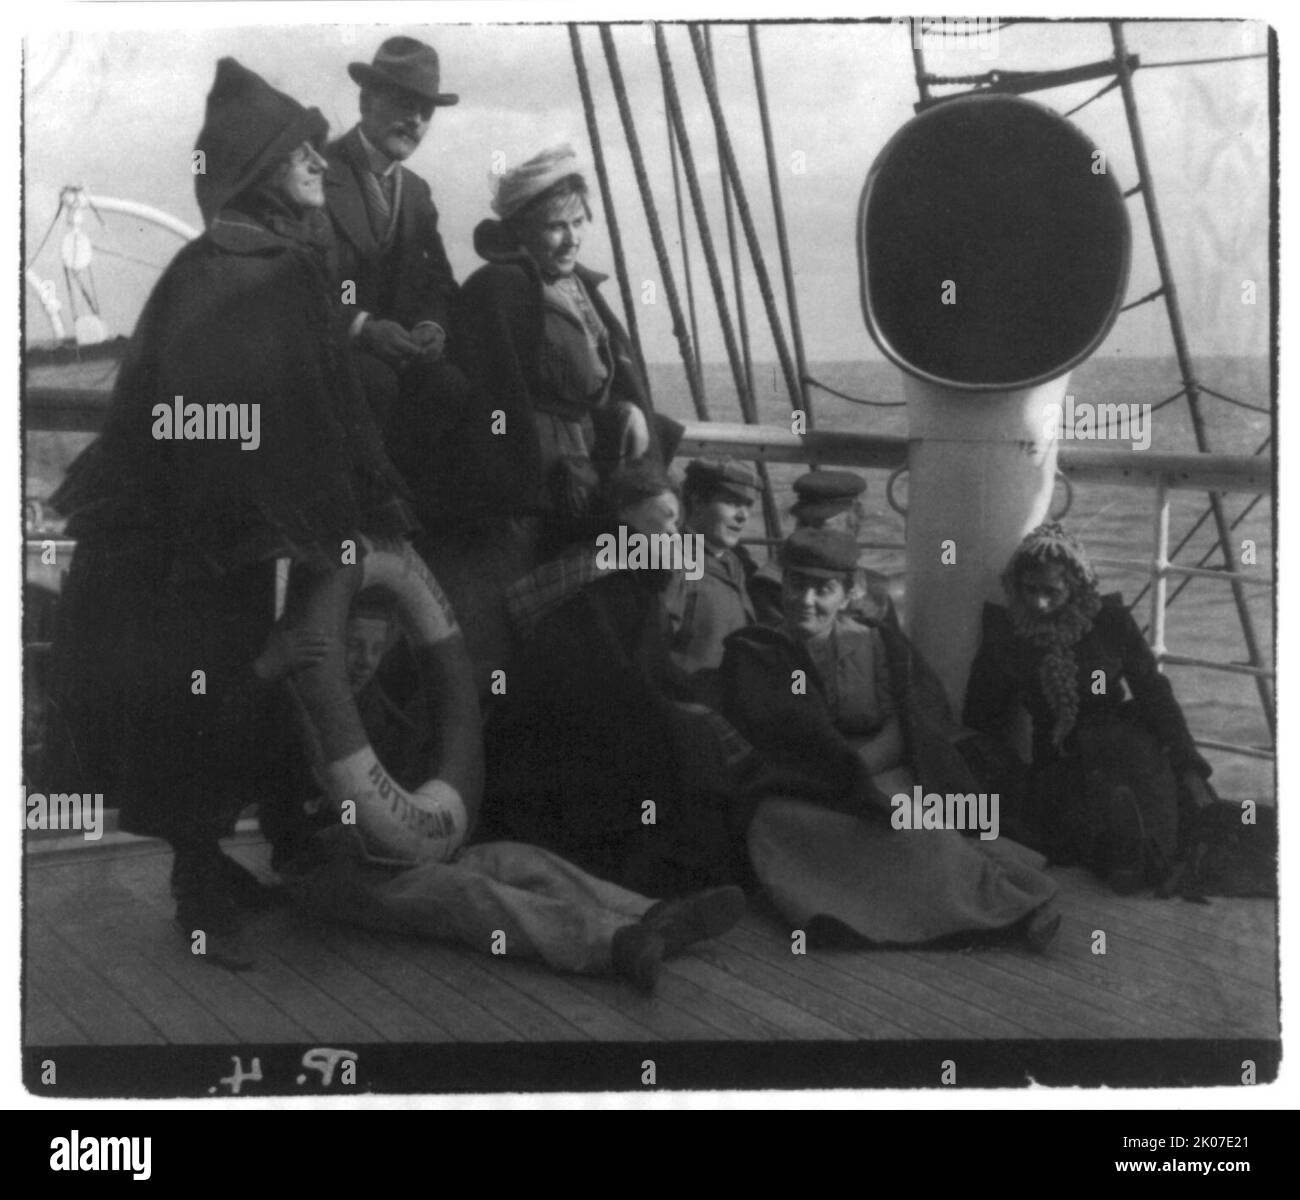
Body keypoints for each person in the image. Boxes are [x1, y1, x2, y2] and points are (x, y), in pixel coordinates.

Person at [44, 59, 416, 963]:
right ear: (259, 168)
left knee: (220, 703)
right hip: (192, 549)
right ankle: (202, 896)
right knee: (204, 705)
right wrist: (367, 506)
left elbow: (311, 408)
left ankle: (225, 864)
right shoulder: (249, 272)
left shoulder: (239, 267)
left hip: (214, 539)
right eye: (302, 160)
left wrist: (354, 501)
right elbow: (280, 416)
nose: (318, 170)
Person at [267, 589, 746, 994]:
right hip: (329, 874)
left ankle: (655, 914)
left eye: (374, 649)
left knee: (517, 858)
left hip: (402, 853)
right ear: (327, 647)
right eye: (353, 646)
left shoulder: (383, 712)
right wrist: (266, 672)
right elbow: (277, 805)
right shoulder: (292, 711)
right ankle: (613, 943)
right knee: (464, 893)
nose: (363, 662)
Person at [718, 528, 1062, 951]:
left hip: (877, 768)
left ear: (847, 593)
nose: (805, 601)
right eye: (796, 584)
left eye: (822, 589)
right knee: (779, 825)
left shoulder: (877, 642)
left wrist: (860, 771)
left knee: (915, 833)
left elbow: (913, 719)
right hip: (796, 787)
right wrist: (839, 776)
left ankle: (1007, 908)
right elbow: (777, 738)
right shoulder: (756, 651)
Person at [962, 522, 1216, 894]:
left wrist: (1190, 765)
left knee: (1135, 785)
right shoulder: (1009, 636)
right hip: (1061, 756)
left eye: (1052, 591)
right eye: (1030, 590)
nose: (1040, 602)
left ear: (1075, 585)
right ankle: (1126, 856)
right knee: (1078, 811)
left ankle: (1140, 850)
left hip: (1122, 740)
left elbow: (1153, 693)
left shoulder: (1109, 622)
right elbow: (981, 716)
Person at [324, 36, 472, 481]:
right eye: (404, 103)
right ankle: (361, 517)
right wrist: (362, 327)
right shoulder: (315, 173)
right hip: (326, 351)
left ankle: (405, 516)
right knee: (374, 381)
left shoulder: (418, 193)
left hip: (397, 359)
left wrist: (432, 325)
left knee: (450, 388)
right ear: (367, 100)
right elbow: (290, 281)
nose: (414, 120)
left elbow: (438, 283)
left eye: (425, 112)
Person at [749, 468, 896, 627]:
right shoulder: (771, 584)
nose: (812, 536)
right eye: (804, 524)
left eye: (820, 525)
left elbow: (896, 647)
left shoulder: (874, 589)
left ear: (855, 522)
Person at [664, 458, 761, 680]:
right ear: (698, 502)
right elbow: (654, 651)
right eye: (732, 502)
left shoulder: (734, 563)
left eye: (748, 505)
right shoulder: (672, 563)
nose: (743, 516)